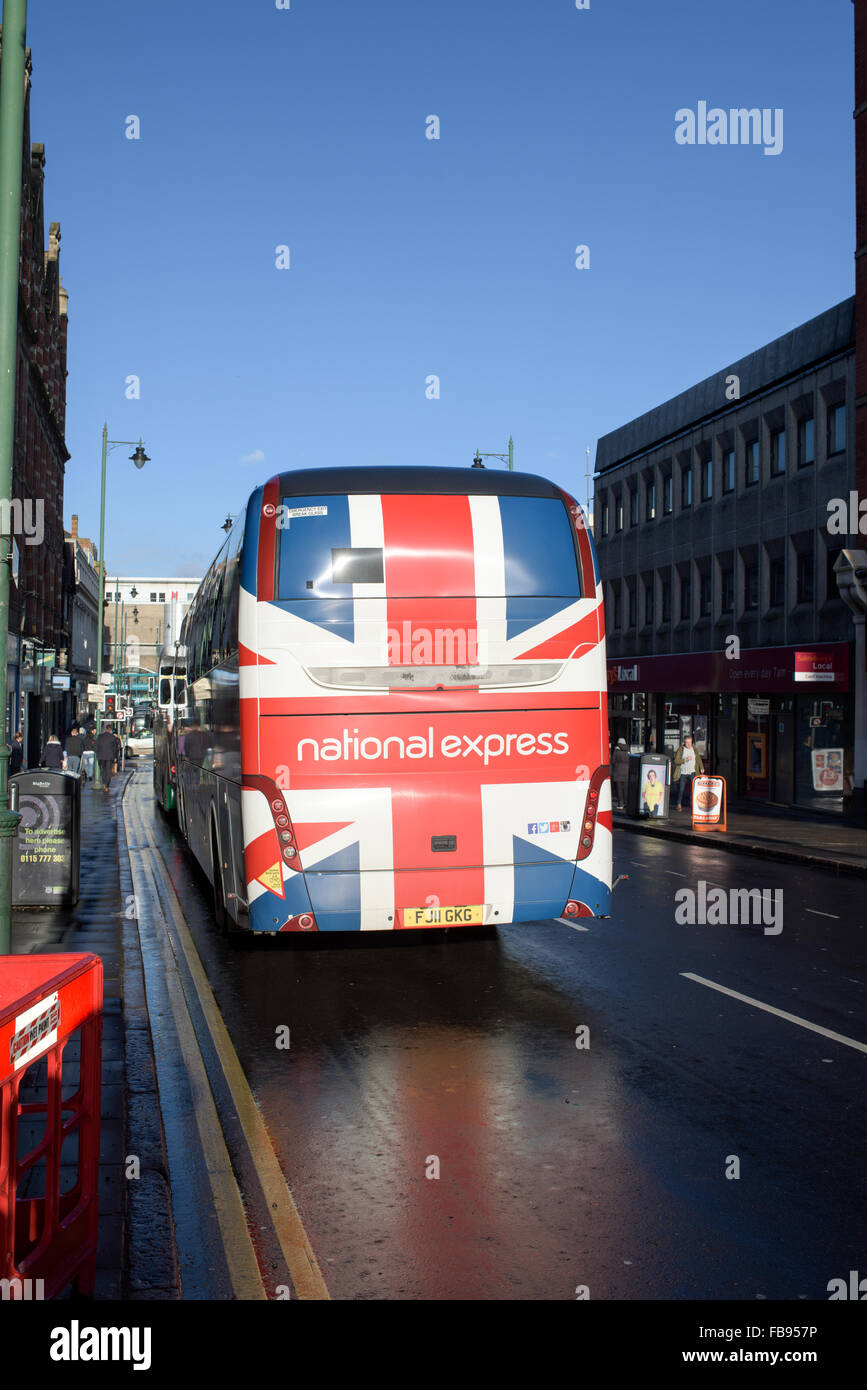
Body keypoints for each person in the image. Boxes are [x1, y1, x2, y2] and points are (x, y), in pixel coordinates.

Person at [673, 734, 704, 812]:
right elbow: (676, 761)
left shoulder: (694, 749)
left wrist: (702, 767)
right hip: (683, 772)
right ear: (684, 742)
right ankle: (678, 804)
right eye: (687, 742)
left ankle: (693, 804)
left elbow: (699, 759)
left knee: (694, 789)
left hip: (693, 772)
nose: (688, 744)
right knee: (681, 789)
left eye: (690, 742)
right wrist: (685, 759)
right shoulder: (681, 749)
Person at [611, 737, 629, 810]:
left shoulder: (616, 751)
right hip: (626, 772)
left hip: (618, 772)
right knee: (625, 789)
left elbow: (613, 761)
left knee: (619, 789)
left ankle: (620, 804)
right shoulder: (628, 750)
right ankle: (626, 803)